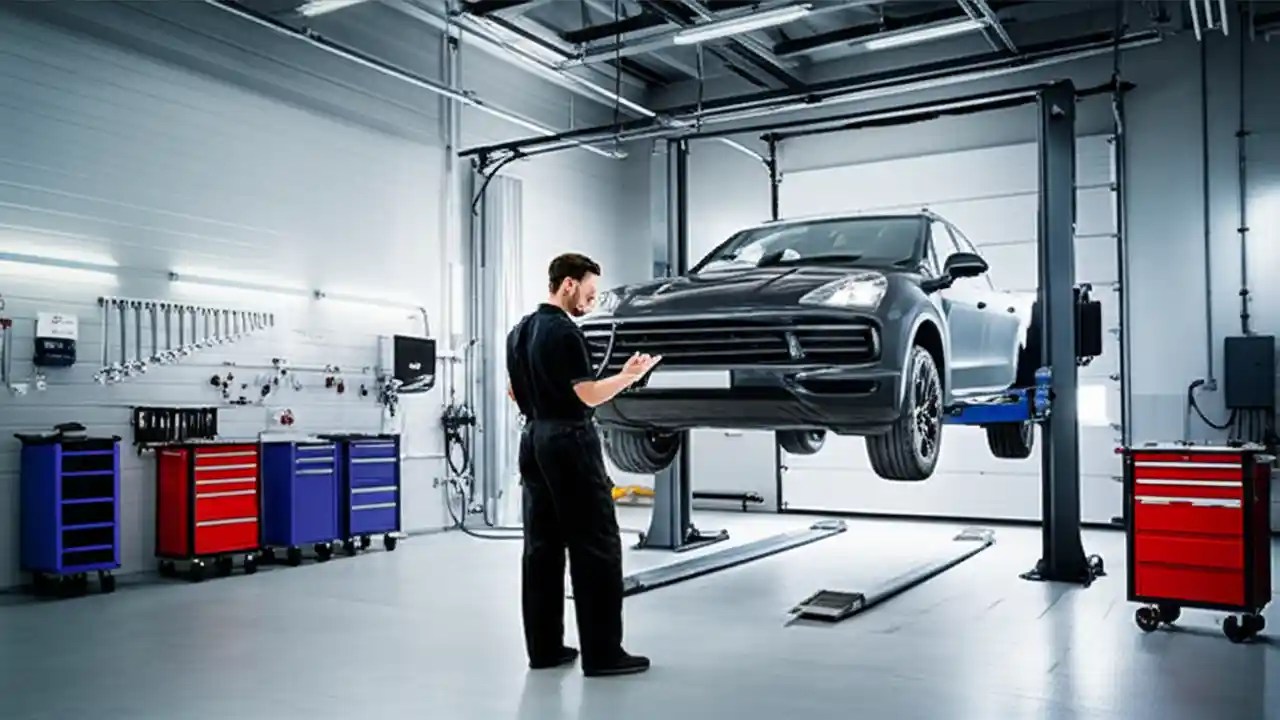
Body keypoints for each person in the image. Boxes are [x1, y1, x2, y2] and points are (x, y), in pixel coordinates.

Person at [505, 252, 661, 677]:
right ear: (568, 283)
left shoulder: (518, 333)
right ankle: (603, 654)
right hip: (569, 442)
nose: (590, 303)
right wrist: (630, 375)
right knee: (596, 546)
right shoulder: (564, 333)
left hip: (532, 439)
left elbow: (514, 394)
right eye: (589, 293)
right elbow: (588, 395)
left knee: (542, 548)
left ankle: (545, 649)